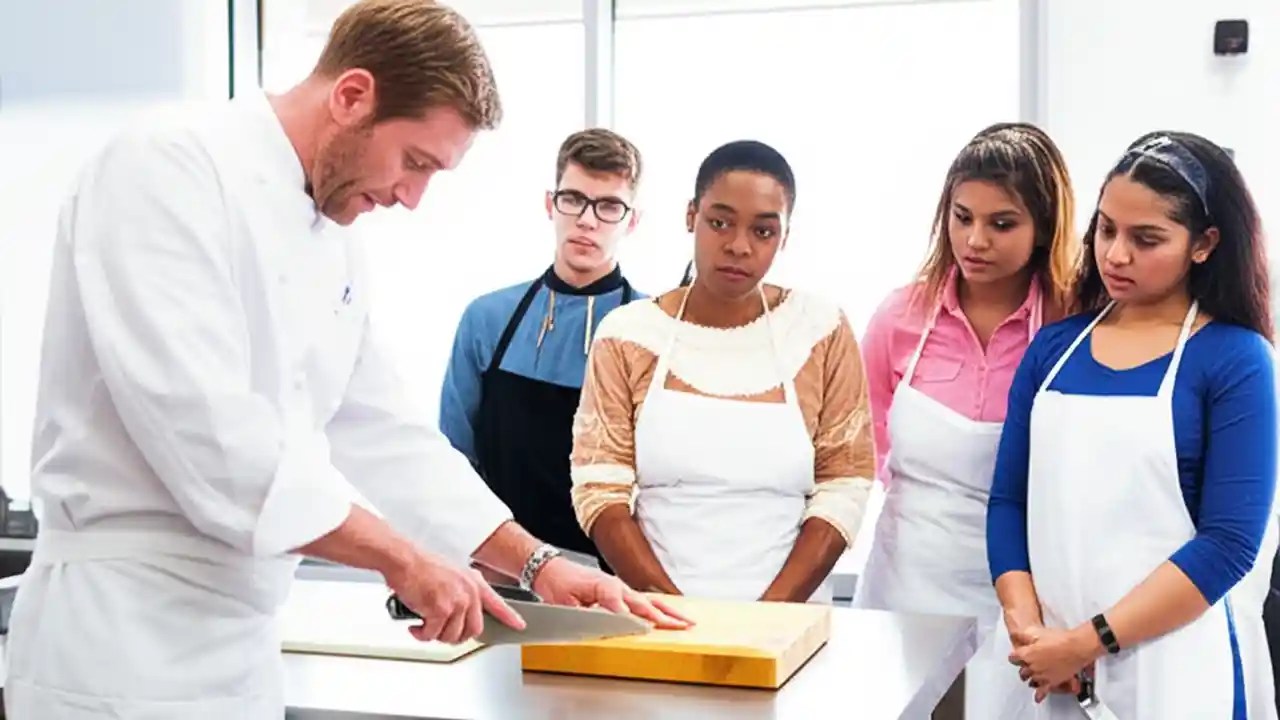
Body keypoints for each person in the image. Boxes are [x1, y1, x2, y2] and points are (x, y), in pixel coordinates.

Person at [4, 2, 685, 717]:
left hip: (242, 656)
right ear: (352, 95)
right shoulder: (166, 169)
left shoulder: (332, 242)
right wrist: (402, 559)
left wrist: (537, 563)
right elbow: (211, 441)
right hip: (117, 648)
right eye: (415, 161)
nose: (412, 198)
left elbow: (386, 433)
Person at [988, 131, 1278, 719]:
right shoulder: (1053, 350)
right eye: (1106, 229)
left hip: (1175, 667)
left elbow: (1229, 546)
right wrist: (1030, 632)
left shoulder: (1236, 360)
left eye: (1147, 239)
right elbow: (1006, 502)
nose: (1115, 255)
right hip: (1044, 667)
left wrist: (1085, 643)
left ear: (1204, 245)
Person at [568, 140, 875, 603]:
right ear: (691, 215)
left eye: (764, 232)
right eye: (720, 222)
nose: (739, 246)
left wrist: (768, 617)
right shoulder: (628, 335)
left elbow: (845, 483)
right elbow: (599, 488)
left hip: (790, 626)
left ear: (785, 236)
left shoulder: (820, 330)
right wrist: (677, 615)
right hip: (659, 621)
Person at [853, 122, 1078, 719]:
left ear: (1043, 229)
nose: (974, 239)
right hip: (902, 588)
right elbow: (863, 449)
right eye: (962, 217)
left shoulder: (1075, 327)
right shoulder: (901, 317)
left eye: (1001, 224)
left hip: (1025, 602)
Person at [440, 128, 643, 564]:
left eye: (609, 207)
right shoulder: (487, 320)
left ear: (632, 220)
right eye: (573, 200)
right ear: (551, 204)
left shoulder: (650, 331)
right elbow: (453, 459)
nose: (587, 220)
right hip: (499, 570)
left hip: (611, 582)